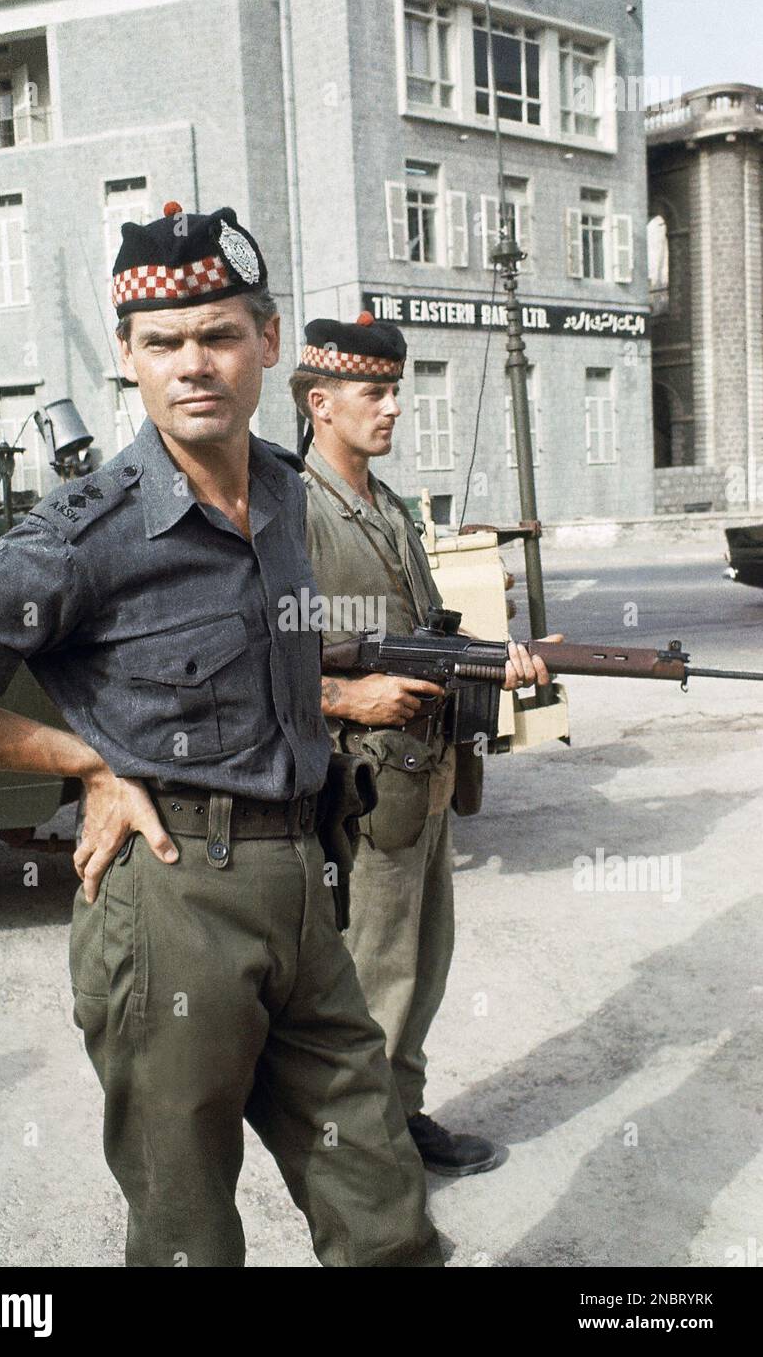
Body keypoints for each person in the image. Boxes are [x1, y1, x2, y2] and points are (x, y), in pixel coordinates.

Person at [0, 210, 443, 1268]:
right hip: (171, 897)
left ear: (267, 343)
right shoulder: (84, 534)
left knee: (384, 1206)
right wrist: (85, 762)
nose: (192, 363)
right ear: (127, 359)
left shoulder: (286, 494)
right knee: (187, 1235)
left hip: (304, 888)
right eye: (162, 342)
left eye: (218, 334)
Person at [290, 313, 554, 1177]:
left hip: (422, 778)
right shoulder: (294, 510)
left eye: (396, 389)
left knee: (424, 962)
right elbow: (260, 654)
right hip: (362, 787)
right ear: (321, 403)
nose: (395, 407)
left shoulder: (390, 505)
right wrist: (346, 694)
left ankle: (401, 1117)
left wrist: (493, 663)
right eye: (375, 392)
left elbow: (420, 630)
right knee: (374, 978)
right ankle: (362, 1159)